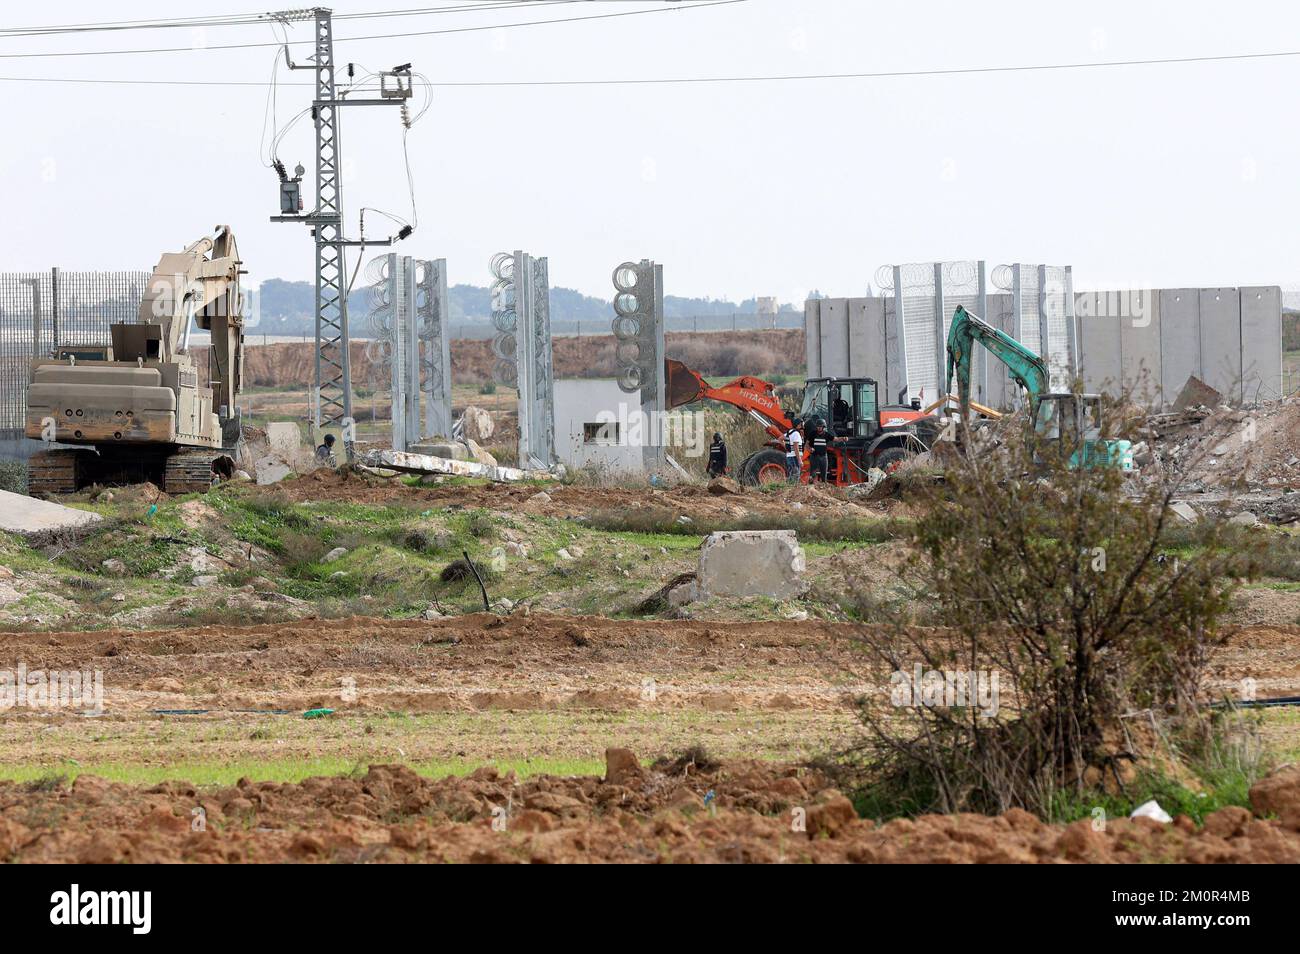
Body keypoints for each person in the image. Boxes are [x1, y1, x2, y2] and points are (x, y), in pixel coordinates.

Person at [808, 417, 831, 483]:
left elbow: (835, 439)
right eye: (817, 426)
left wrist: (843, 438)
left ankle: (823, 486)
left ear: (824, 427)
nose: (819, 428)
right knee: (812, 474)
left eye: (820, 426)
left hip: (823, 456)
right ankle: (810, 488)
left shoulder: (827, 435)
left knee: (824, 475)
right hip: (814, 456)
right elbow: (807, 444)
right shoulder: (812, 434)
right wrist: (810, 449)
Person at [783, 417, 804, 482]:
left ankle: (788, 489)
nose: (803, 425)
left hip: (789, 456)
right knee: (795, 476)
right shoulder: (796, 434)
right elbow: (796, 447)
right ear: (798, 425)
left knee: (791, 474)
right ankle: (792, 490)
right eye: (801, 424)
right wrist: (799, 460)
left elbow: (780, 439)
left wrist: (786, 447)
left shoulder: (789, 432)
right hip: (794, 457)